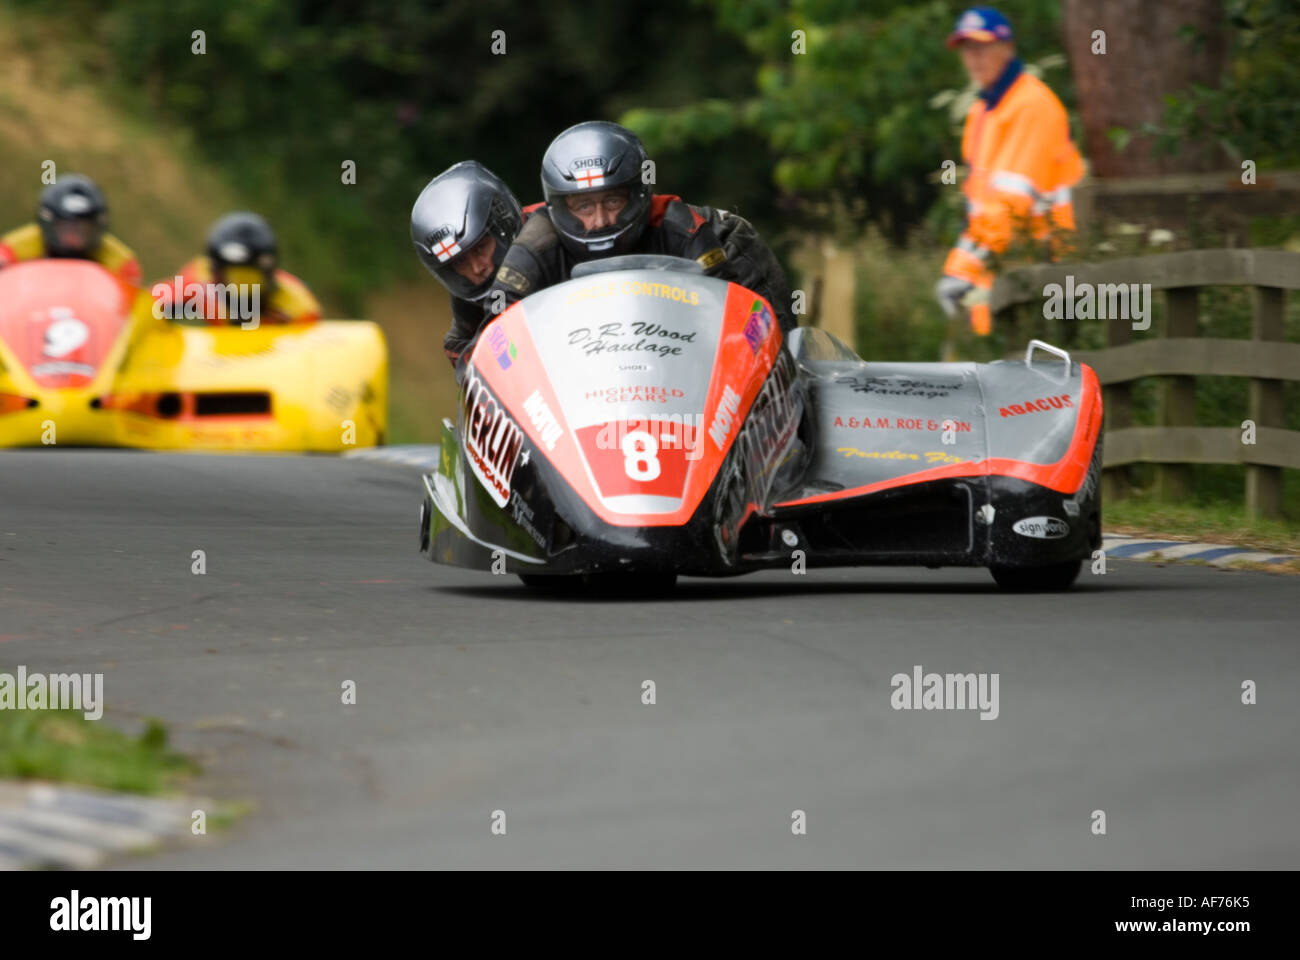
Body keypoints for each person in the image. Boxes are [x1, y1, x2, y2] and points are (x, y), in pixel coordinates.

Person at [487, 121, 795, 336]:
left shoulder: (699, 232)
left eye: (612, 201)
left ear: (638, 195)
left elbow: (751, 333)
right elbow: (493, 342)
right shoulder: (532, 246)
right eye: (584, 206)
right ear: (559, 206)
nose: (600, 220)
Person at [936, 6, 1084, 338]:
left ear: (1008, 48)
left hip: (1044, 277)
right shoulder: (983, 111)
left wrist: (962, 271)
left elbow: (1010, 203)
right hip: (1010, 274)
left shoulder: (1031, 106)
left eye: (982, 47)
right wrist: (962, 271)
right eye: (966, 49)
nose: (973, 58)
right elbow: (979, 207)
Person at [409, 162, 526, 367]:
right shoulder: (462, 334)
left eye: (481, 248)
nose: (477, 268)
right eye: (460, 261)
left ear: (505, 225)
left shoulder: (553, 242)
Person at [155, 212, 321, 325]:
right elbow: (150, 303)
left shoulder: (299, 309)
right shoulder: (200, 278)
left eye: (250, 280)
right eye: (236, 279)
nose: (245, 292)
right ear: (216, 274)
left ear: (270, 275)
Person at [0, 174, 141, 285]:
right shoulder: (15, 248)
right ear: (47, 225)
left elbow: (129, 300)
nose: (72, 238)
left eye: (82, 231)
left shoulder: (122, 264)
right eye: (65, 229)